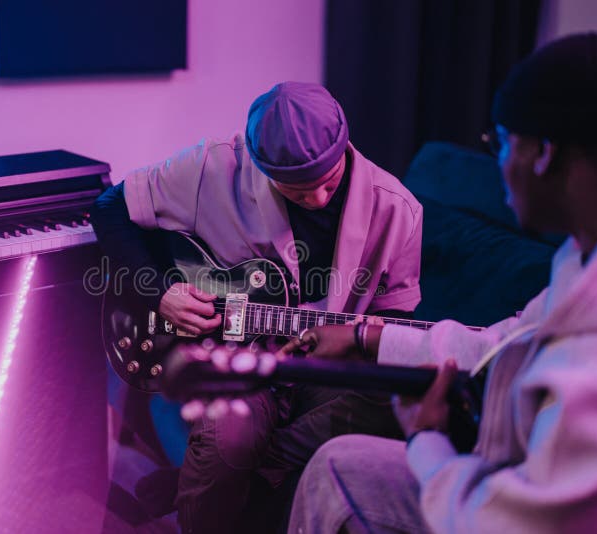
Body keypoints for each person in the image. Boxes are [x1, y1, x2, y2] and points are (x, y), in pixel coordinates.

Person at [283, 33, 597, 533]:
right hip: (510, 487)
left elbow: (499, 523)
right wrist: (365, 335)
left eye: (501, 143)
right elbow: (502, 343)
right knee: (338, 464)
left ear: (544, 154)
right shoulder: (589, 256)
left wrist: (427, 439)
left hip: (505, 510)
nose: (499, 164)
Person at [91, 81, 423, 532]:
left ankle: (208, 476)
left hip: (327, 371)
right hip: (238, 366)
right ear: (259, 166)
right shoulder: (214, 166)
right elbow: (109, 209)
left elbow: (396, 326)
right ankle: (213, 474)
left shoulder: (399, 210)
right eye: (298, 192)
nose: (319, 200)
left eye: (328, 183)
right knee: (227, 433)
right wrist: (163, 292)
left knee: (395, 400)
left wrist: (354, 340)